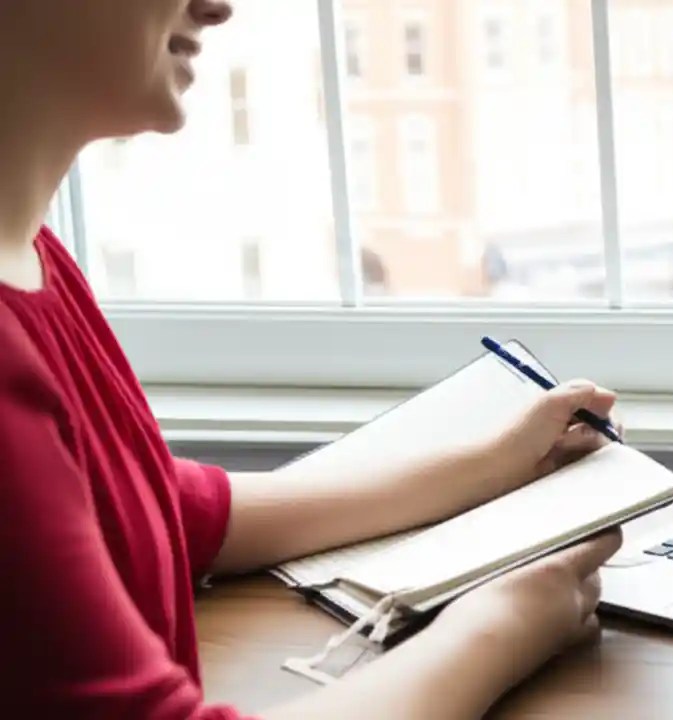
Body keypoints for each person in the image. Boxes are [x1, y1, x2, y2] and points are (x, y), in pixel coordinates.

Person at [0, 2, 624, 717]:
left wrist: (491, 464)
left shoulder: (33, 259)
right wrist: (503, 623)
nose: (218, 5)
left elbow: (155, 506)